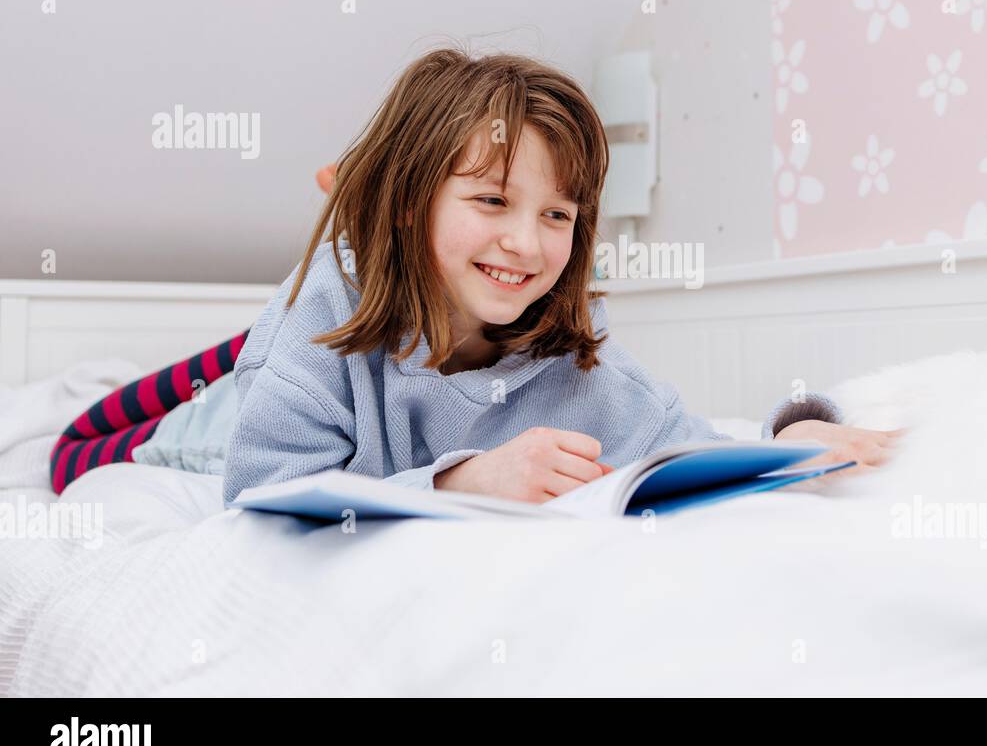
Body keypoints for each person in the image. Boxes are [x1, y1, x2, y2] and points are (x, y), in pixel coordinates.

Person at [52, 47, 901, 502]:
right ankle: (247, 352)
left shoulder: (574, 355)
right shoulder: (320, 320)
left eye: (558, 216)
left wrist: (791, 439)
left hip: (362, 304)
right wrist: (462, 479)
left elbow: (681, 445)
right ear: (413, 202)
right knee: (73, 453)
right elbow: (266, 487)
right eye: (493, 199)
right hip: (259, 401)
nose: (527, 245)